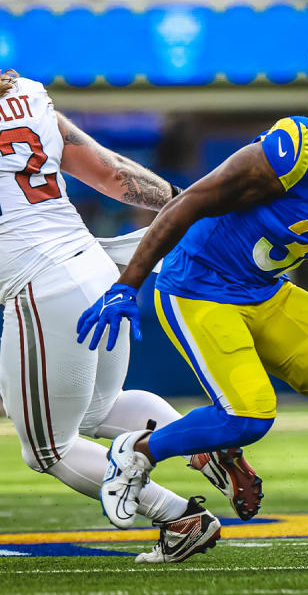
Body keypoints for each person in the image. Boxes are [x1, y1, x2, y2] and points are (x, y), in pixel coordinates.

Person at [76, 116, 308, 553]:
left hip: (266, 290)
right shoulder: (301, 149)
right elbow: (191, 201)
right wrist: (129, 284)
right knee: (247, 418)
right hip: (199, 287)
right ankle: (139, 451)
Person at [0, 70, 241, 565]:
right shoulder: (26, 96)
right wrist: (185, 206)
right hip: (95, 269)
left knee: (47, 449)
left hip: (42, 285)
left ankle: (179, 517)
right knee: (98, 409)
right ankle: (204, 445)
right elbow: (112, 173)